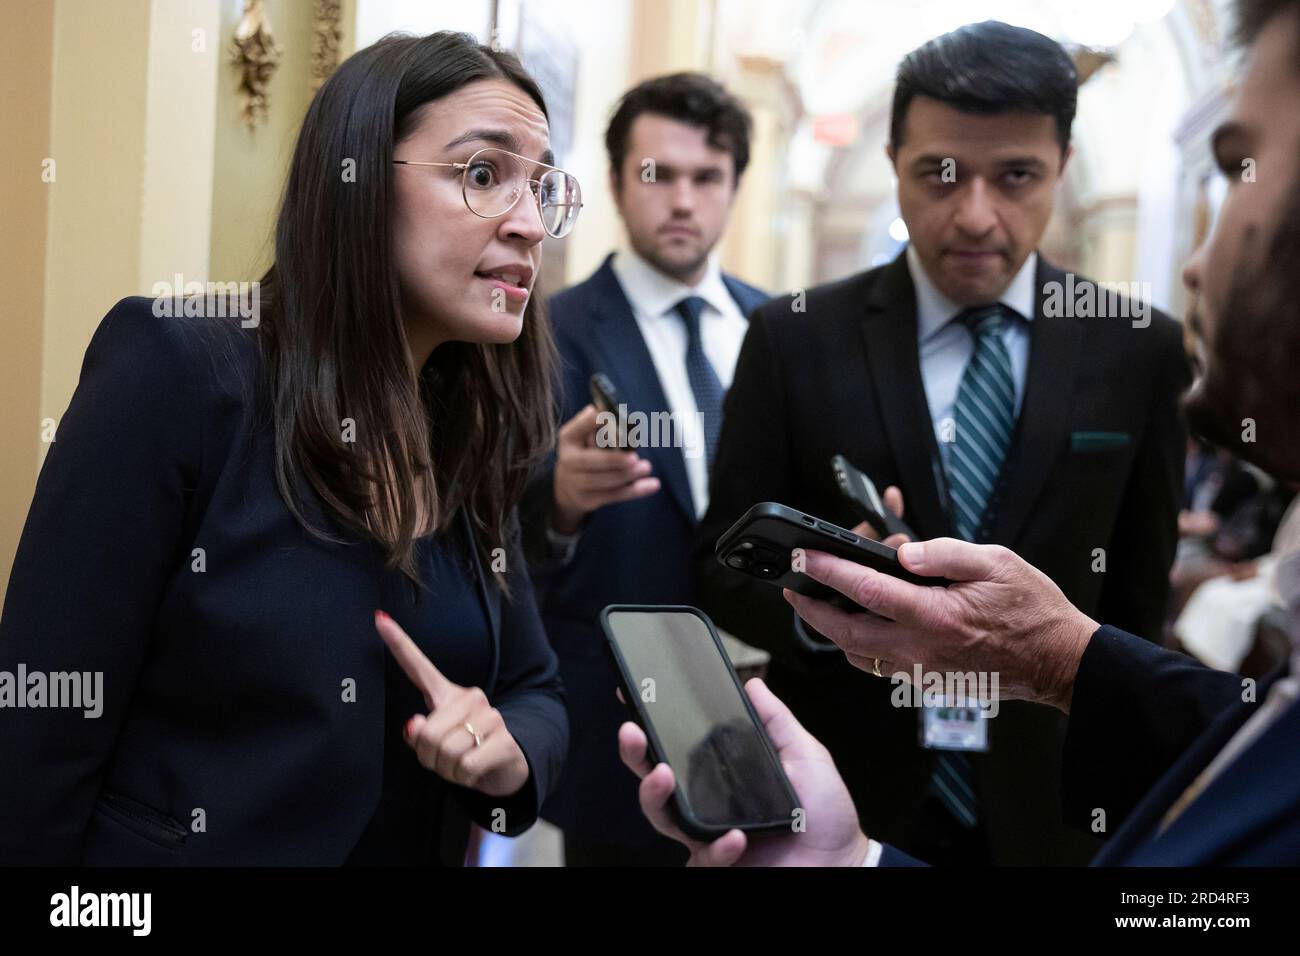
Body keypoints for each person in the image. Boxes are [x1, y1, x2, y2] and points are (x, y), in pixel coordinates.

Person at [624, 0, 1300, 867]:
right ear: (893, 164)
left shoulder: (1139, 348)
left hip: (1051, 803)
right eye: (939, 176)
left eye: (1016, 176)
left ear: (1061, 167)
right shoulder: (796, 335)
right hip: (845, 783)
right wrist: (830, 603)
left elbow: (1133, 598)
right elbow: (721, 559)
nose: (976, 215)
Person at [0, 31, 574, 865]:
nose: (528, 224)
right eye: (483, 175)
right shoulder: (180, 370)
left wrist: (508, 752)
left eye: (543, 187)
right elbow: (42, 725)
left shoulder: (465, 428)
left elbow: (534, 688)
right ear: (359, 183)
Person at [519, 73, 767, 866]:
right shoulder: (543, 333)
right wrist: (557, 497)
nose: (683, 201)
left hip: (769, 707)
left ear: (734, 186)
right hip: (617, 719)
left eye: (707, 177)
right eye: (659, 175)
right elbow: (483, 520)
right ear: (619, 181)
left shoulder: (779, 329)